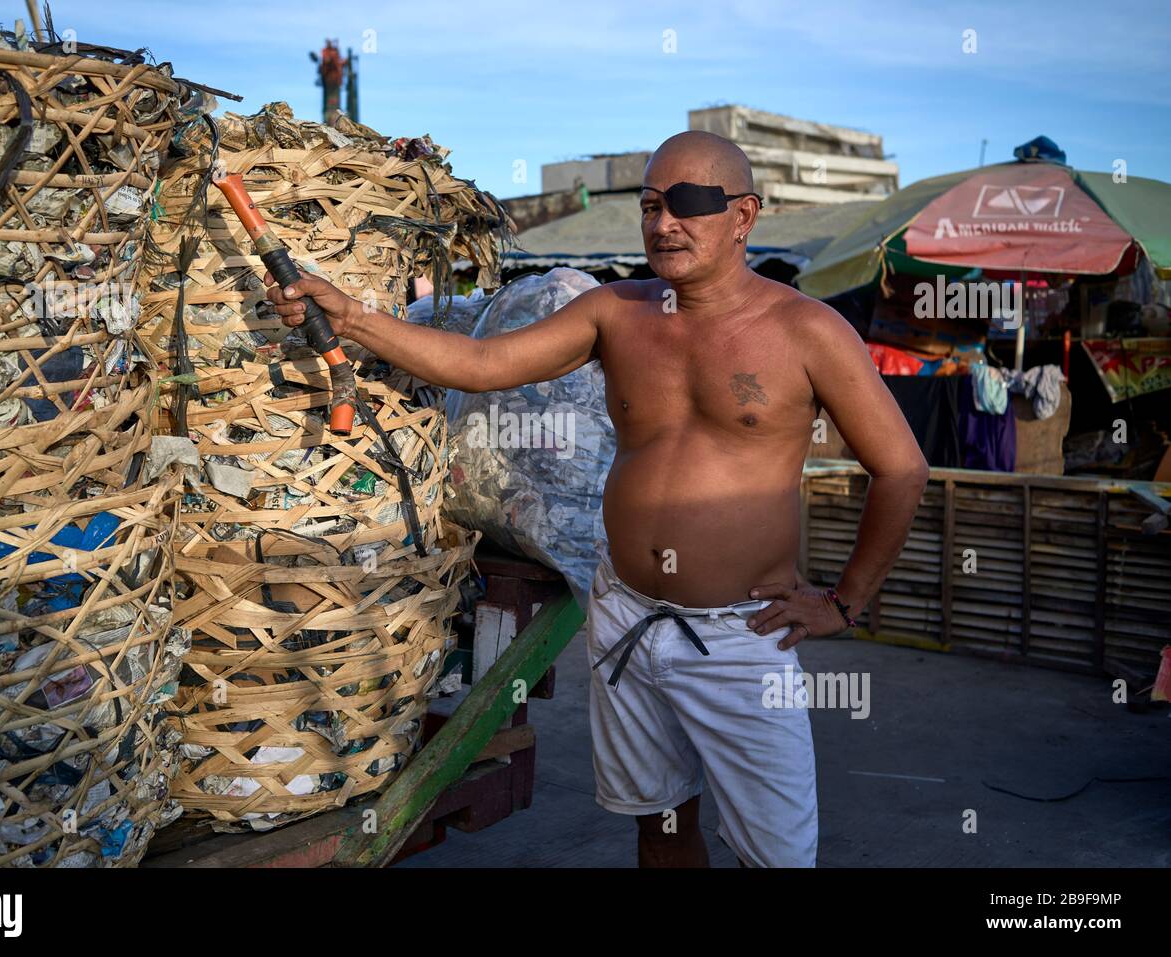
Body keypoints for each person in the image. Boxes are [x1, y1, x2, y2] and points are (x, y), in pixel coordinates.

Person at [264, 130, 929, 867]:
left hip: (744, 636)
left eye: (688, 204)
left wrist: (845, 600)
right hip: (625, 615)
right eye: (649, 205)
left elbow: (901, 469)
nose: (663, 222)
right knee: (659, 821)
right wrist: (351, 317)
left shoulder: (807, 329)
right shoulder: (617, 312)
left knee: (774, 856)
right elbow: (482, 364)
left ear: (744, 215)